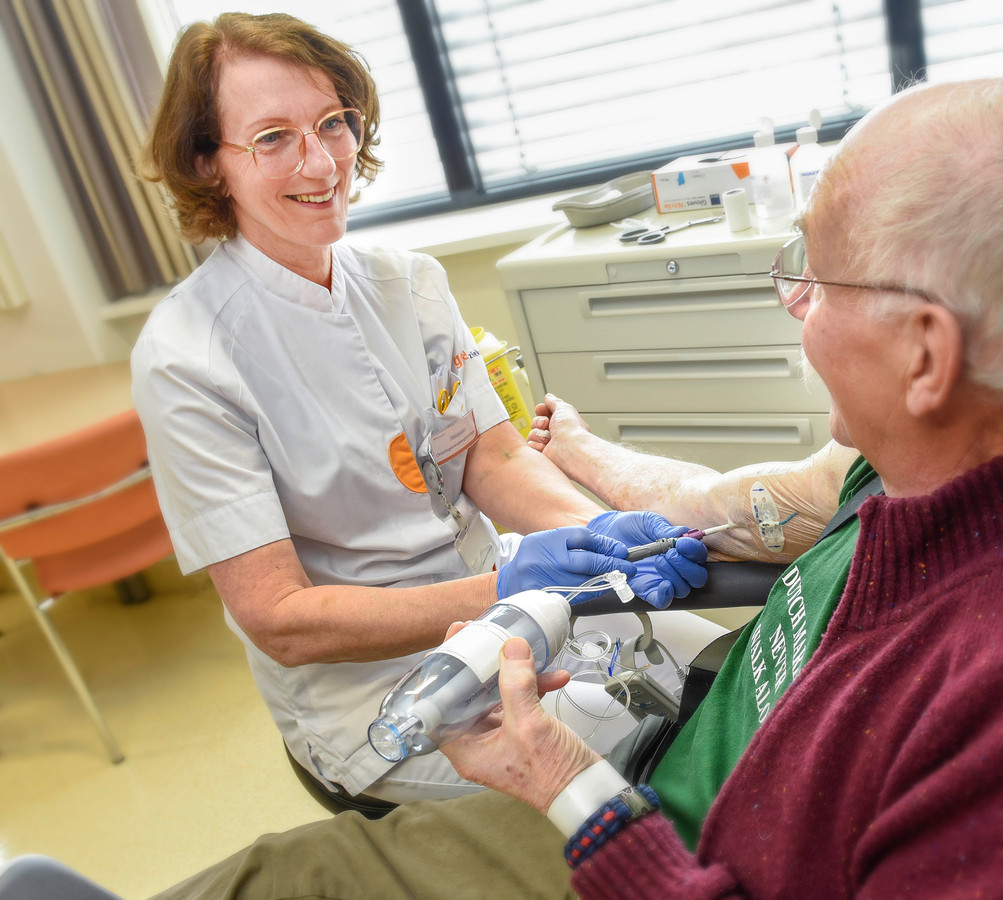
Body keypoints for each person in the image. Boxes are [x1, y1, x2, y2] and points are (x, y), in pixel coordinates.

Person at [151, 74, 1003, 899]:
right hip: (688, 748)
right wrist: (599, 499)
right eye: (273, 137)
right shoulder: (938, 459)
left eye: (815, 276)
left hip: (659, 843)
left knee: (281, 885)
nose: (794, 305)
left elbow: (492, 459)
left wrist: (568, 785)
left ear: (927, 355)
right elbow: (739, 503)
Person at [130, 12, 707, 805]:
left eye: (333, 122)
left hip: (510, 600)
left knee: (732, 674)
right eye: (272, 138)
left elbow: (491, 457)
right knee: (673, 763)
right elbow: (280, 619)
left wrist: (598, 538)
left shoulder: (409, 282)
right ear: (208, 163)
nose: (321, 161)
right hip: (377, 693)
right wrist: (510, 585)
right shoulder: (187, 358)